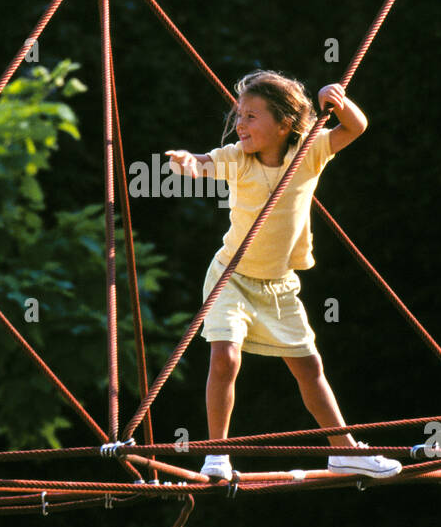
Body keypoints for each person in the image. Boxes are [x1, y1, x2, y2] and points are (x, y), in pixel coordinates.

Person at [165, 70, 401, 482]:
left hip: (277, 285)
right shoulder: (237, 158)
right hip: (231, 277)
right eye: (239, 115)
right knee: (225, 357)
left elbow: (356, 127)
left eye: (252, 116)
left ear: (285, 124)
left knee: (310, 367)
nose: (240, 124)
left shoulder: (308, 154)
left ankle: (344, 452)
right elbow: (205, 163)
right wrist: (189, 163)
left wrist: (337, 99)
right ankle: (216, 453)